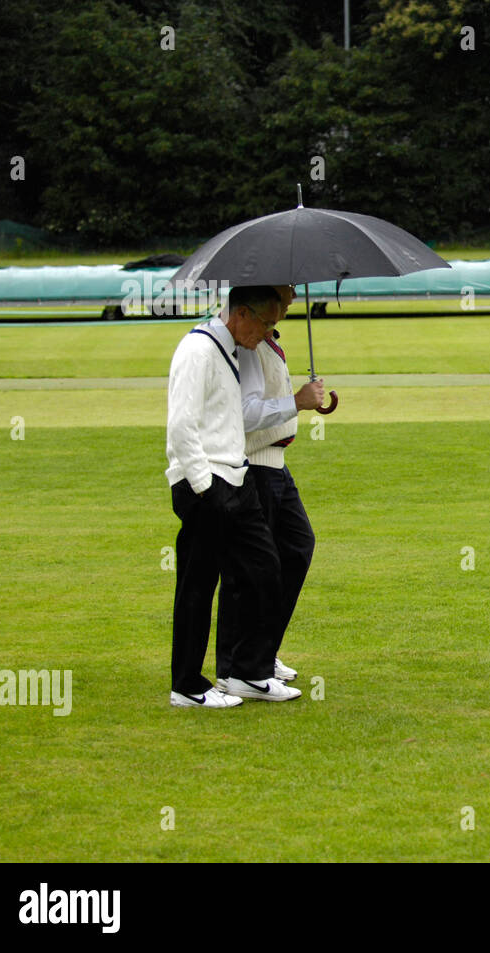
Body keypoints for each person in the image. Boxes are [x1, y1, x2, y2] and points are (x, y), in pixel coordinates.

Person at [164, 284, 303, 707]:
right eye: (264, 325)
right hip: (206, 484)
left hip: (234, 479)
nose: (265, 335)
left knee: (264, 569)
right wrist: (205, 487)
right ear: (242, 314)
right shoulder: (199, 349)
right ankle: (187, 685)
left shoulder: (226, 351)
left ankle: (247, 672)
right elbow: (181, 426)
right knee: (198, 584)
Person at [216, 285, 324, 691]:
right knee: (251, 568)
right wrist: (297, 401)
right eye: (288, 289)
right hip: (257, 466)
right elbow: (244, 414)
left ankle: (261, 651)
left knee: (297, 549)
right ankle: (240, 666)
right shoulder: (248, 345)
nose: (295, 293)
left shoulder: (267, 340)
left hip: (277, 463)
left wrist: (304, 400)